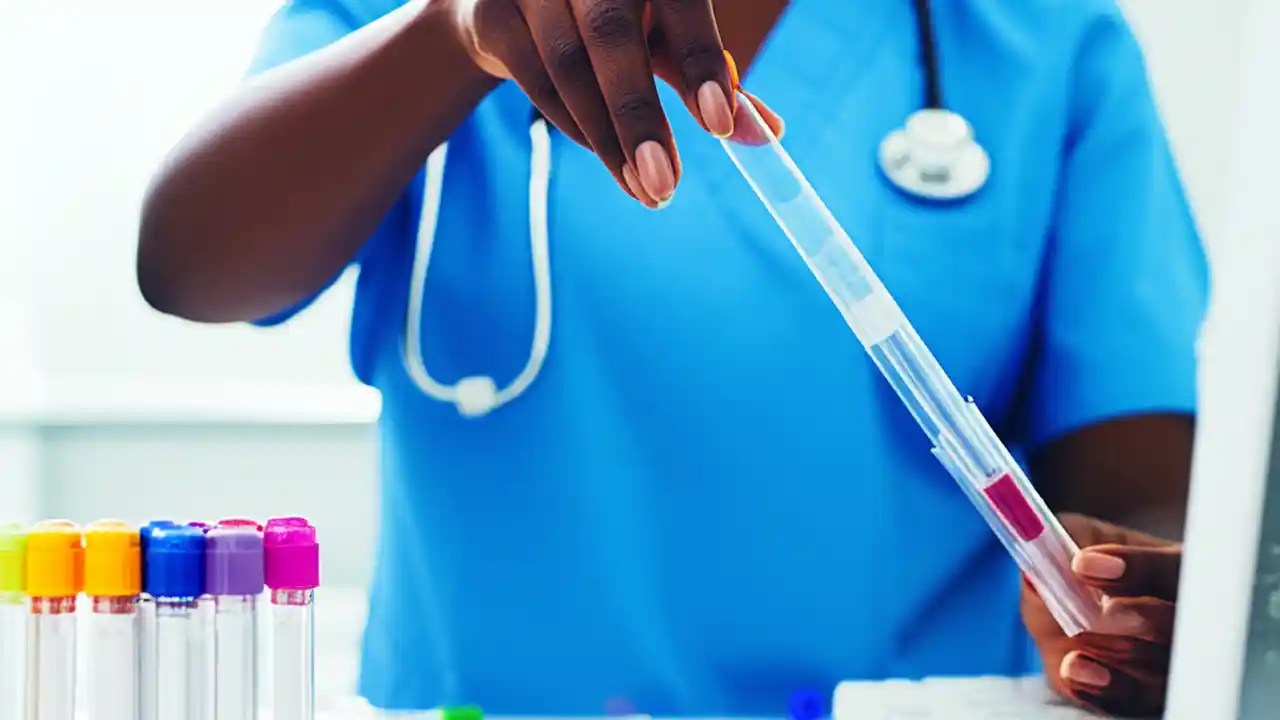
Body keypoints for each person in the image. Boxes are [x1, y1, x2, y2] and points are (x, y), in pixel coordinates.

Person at [136, 0, 1206, 716]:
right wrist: (449, 36)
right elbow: (191, 268)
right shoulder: (408, 14)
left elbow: (1135, 462)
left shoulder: (1039, 38)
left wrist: (1128, 600)